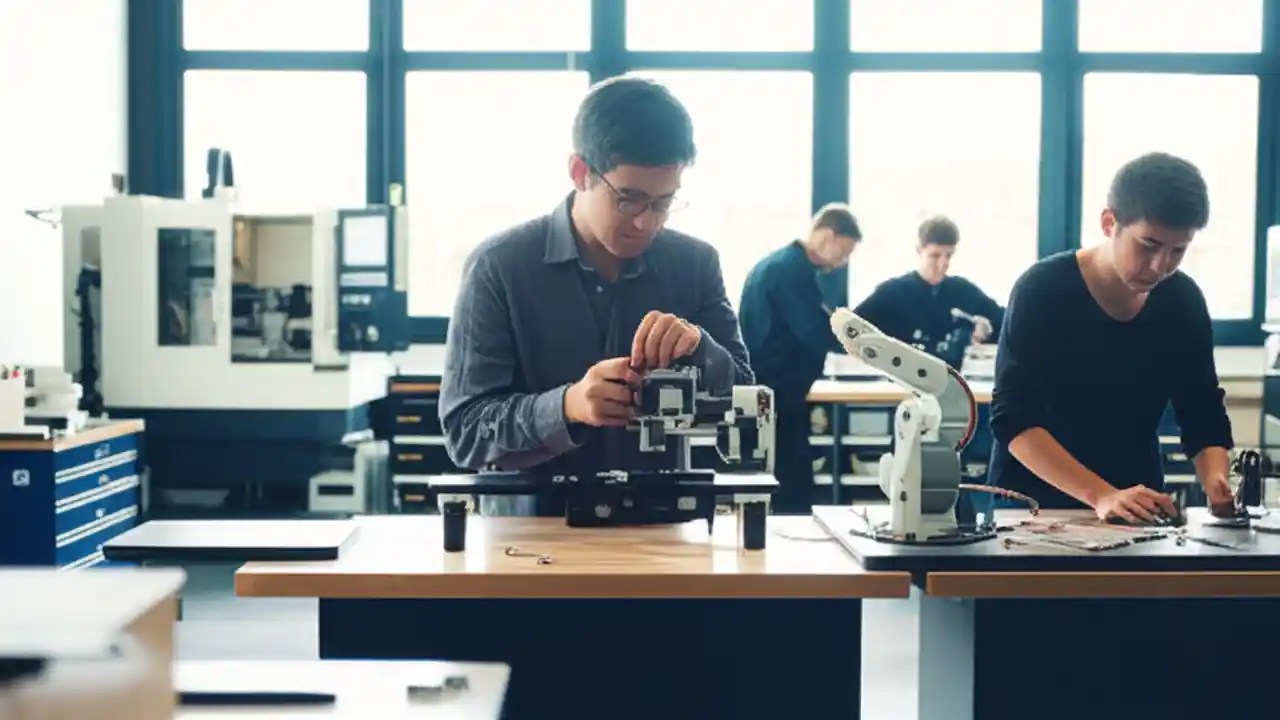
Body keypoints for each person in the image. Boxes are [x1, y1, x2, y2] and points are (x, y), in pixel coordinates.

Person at [438, 76, 753, 515]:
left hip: (662, 536)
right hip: (532, 545)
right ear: (580, 172)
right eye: (630, 199)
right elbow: (465, 432)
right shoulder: (499, 267)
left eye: (663, 202)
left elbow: (747, 399)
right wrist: (566, 406)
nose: (646, 223)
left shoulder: (695, 264)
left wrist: (701, 349)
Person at [989, 152, 1236, 523]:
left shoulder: (1182, 301)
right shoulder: (1042, 291)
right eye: (1148, 245)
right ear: (1109, 223)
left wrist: (1216, 478)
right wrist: (1100, 495)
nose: (1160, 266)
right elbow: (1014, 418)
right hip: (1033, 503)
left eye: (1177, 251)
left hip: (1136, 503)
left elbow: (1202, 409)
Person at [737, 204, 861, 513]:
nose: (843, 262)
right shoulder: (790, 271)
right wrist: (857, 345)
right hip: (777, 393)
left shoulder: (785, 266)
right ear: (827, 236)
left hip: (775, 392)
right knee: (792, 487)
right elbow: (812, 330)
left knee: (788, 477)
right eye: (843, 252)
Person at [853, 216, 1004, 368]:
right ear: (919, 250)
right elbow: (851, 330)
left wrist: (987, 331)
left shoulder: (965, 292)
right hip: (900, 383)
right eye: (935, 256)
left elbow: (1006, 323)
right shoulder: (890, 294)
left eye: (949, 256)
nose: (943, 264)